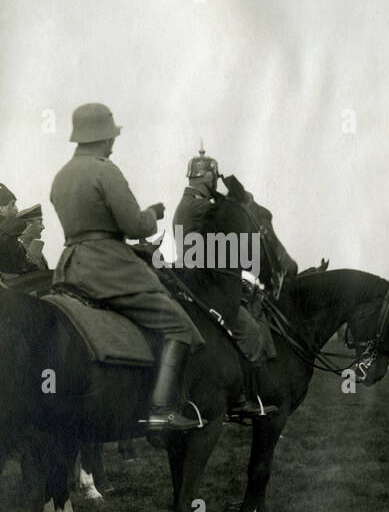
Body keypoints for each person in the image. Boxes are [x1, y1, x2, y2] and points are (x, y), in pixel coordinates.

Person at [49, 103, 204, 432]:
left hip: (70, 266)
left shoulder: (61, 176)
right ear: (103, 137)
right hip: (108, 268)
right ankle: (162, 408)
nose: (113, 143)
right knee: (179, 325)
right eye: (111, 137)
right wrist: (153, 213)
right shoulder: (105, 170)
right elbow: (136, 226)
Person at [172, 147, 277, 419]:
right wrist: (241, 200)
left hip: (195, 282)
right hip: (206, 287)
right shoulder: (201, 207)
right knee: (251, 332)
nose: (215, 185)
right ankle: (243, 398)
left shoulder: (188, 204)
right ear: (207, 178)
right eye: (214, 180)